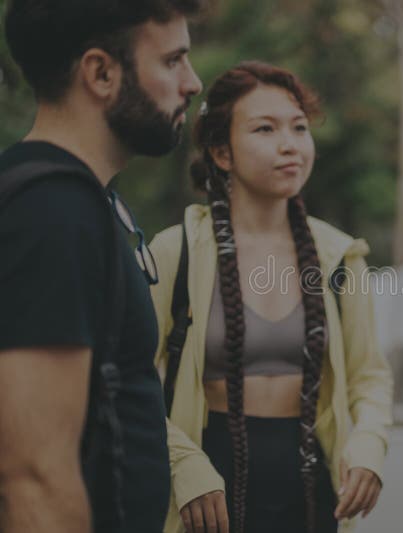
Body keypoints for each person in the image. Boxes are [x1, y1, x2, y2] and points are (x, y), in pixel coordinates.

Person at [148, 61, 393, 533]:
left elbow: (370, 376)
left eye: (299, 128)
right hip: (204, 495)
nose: (290, 145)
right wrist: (181, 464)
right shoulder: (175, 250)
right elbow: (128, 377)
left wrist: (369, 444)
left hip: (313, 490)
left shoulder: (340, 257)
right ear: (222, 151)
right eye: (265, 128)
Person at [0, 1, 203, 532]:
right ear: (101, 72)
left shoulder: (88, 203)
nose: (193, 83)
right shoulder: (50, 210)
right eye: (173, 61)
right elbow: (34, 474)